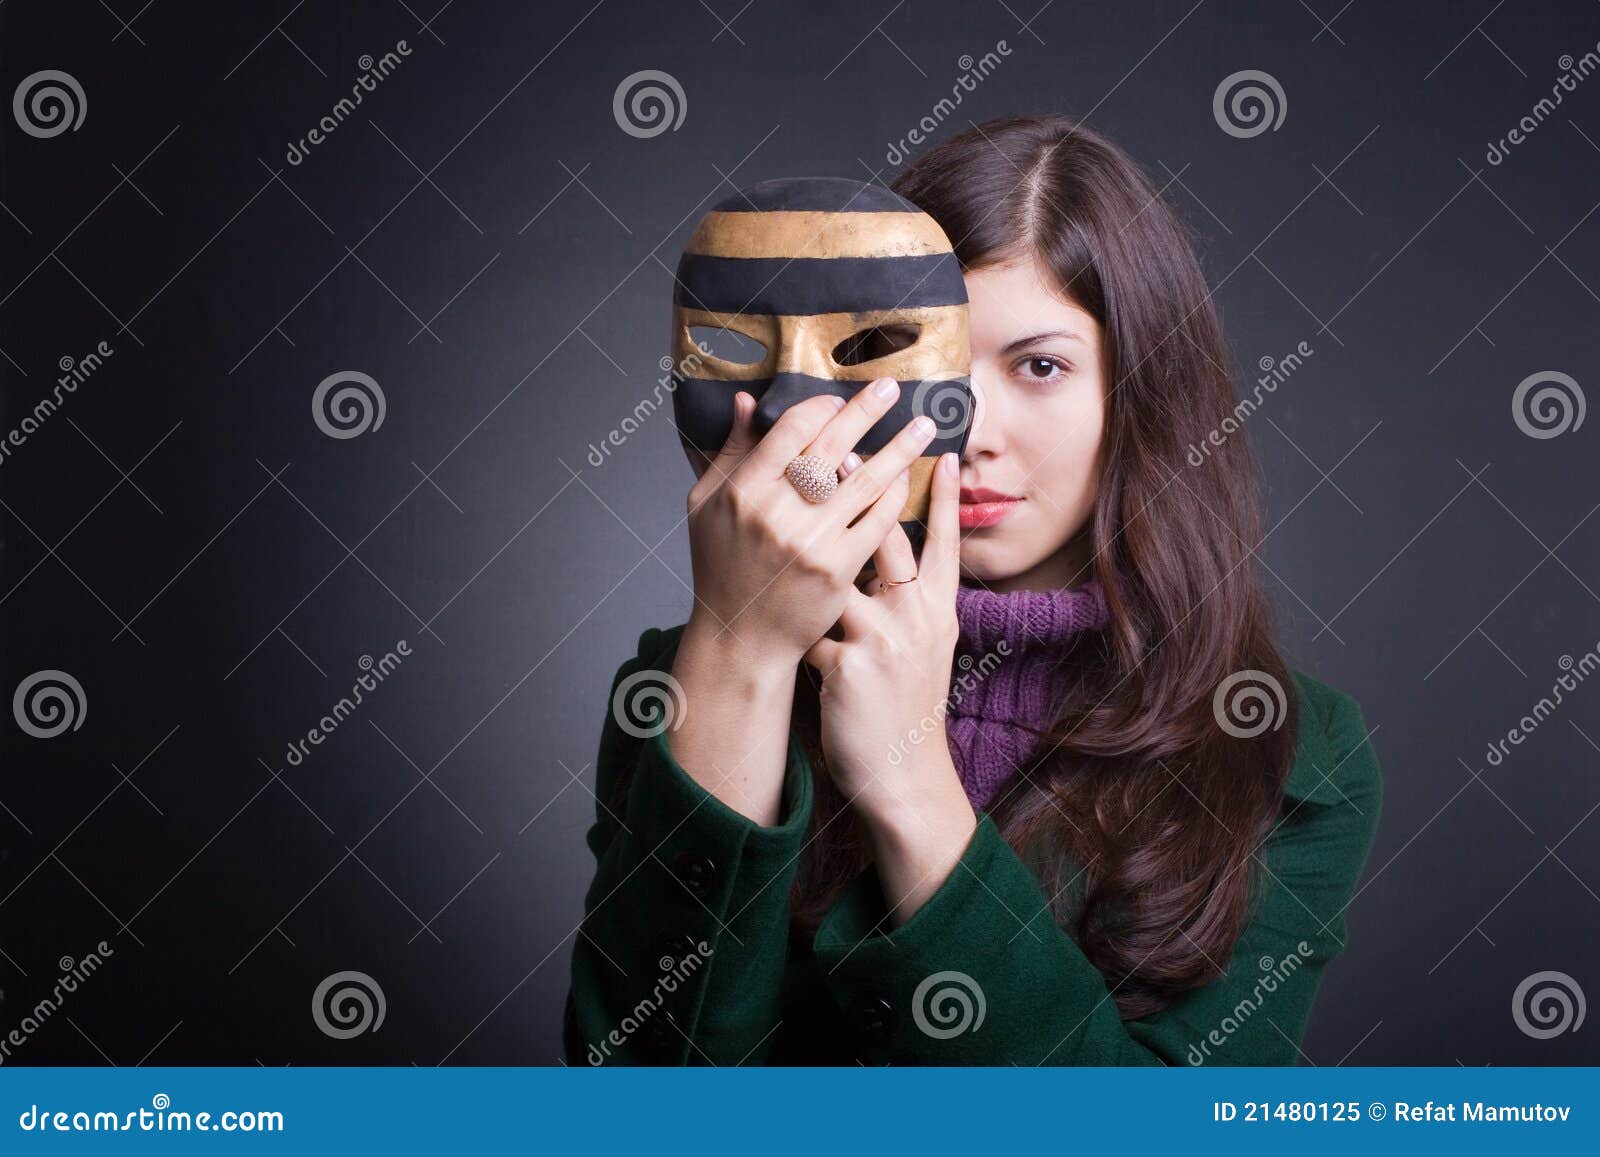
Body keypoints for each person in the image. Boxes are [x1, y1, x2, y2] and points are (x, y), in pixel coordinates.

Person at [564, 113, 1382, 1066]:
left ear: (1142, 391)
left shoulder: (1285, 752)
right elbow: (637, 1092)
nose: (971, 429)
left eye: (1040, 366)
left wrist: (913, 785)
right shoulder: (689, 684)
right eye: (922, 358)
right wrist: (741, 650)